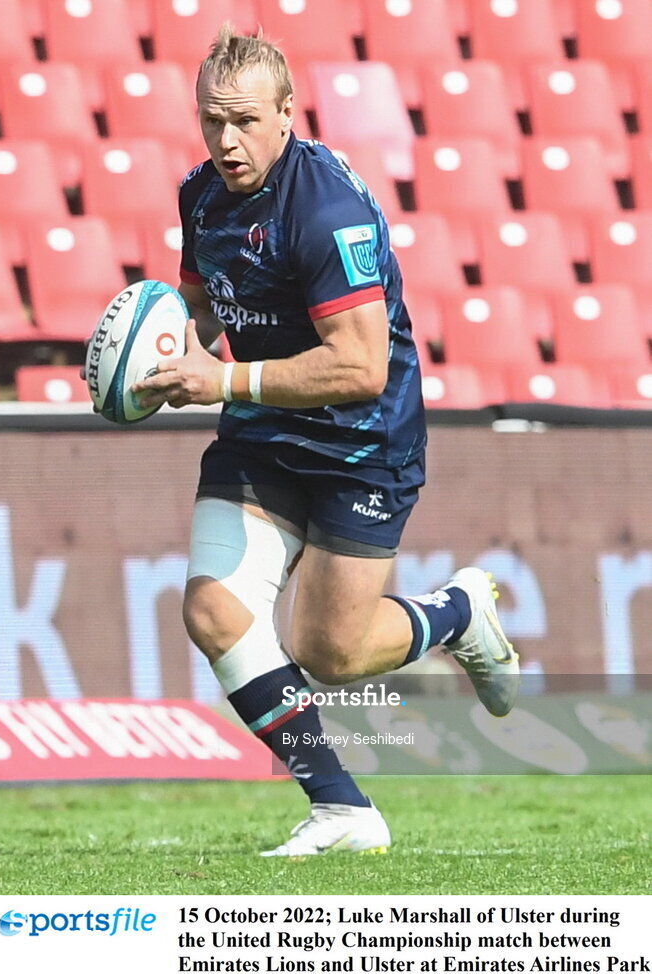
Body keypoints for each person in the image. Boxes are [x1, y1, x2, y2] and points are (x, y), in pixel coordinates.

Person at [133, 23, 520, 857]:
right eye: (210, 120)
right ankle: (342, 808)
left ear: (286, 114)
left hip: (360, 439)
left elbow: (360, 367)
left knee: (328, 651)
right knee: (213, 610)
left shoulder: (325, 208)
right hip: (264, 432)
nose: (226, 140)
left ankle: (457, 614)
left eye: (242, 120)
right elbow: (200, 311)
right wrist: (164, 360)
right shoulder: (200, 195)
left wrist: (222, 382)